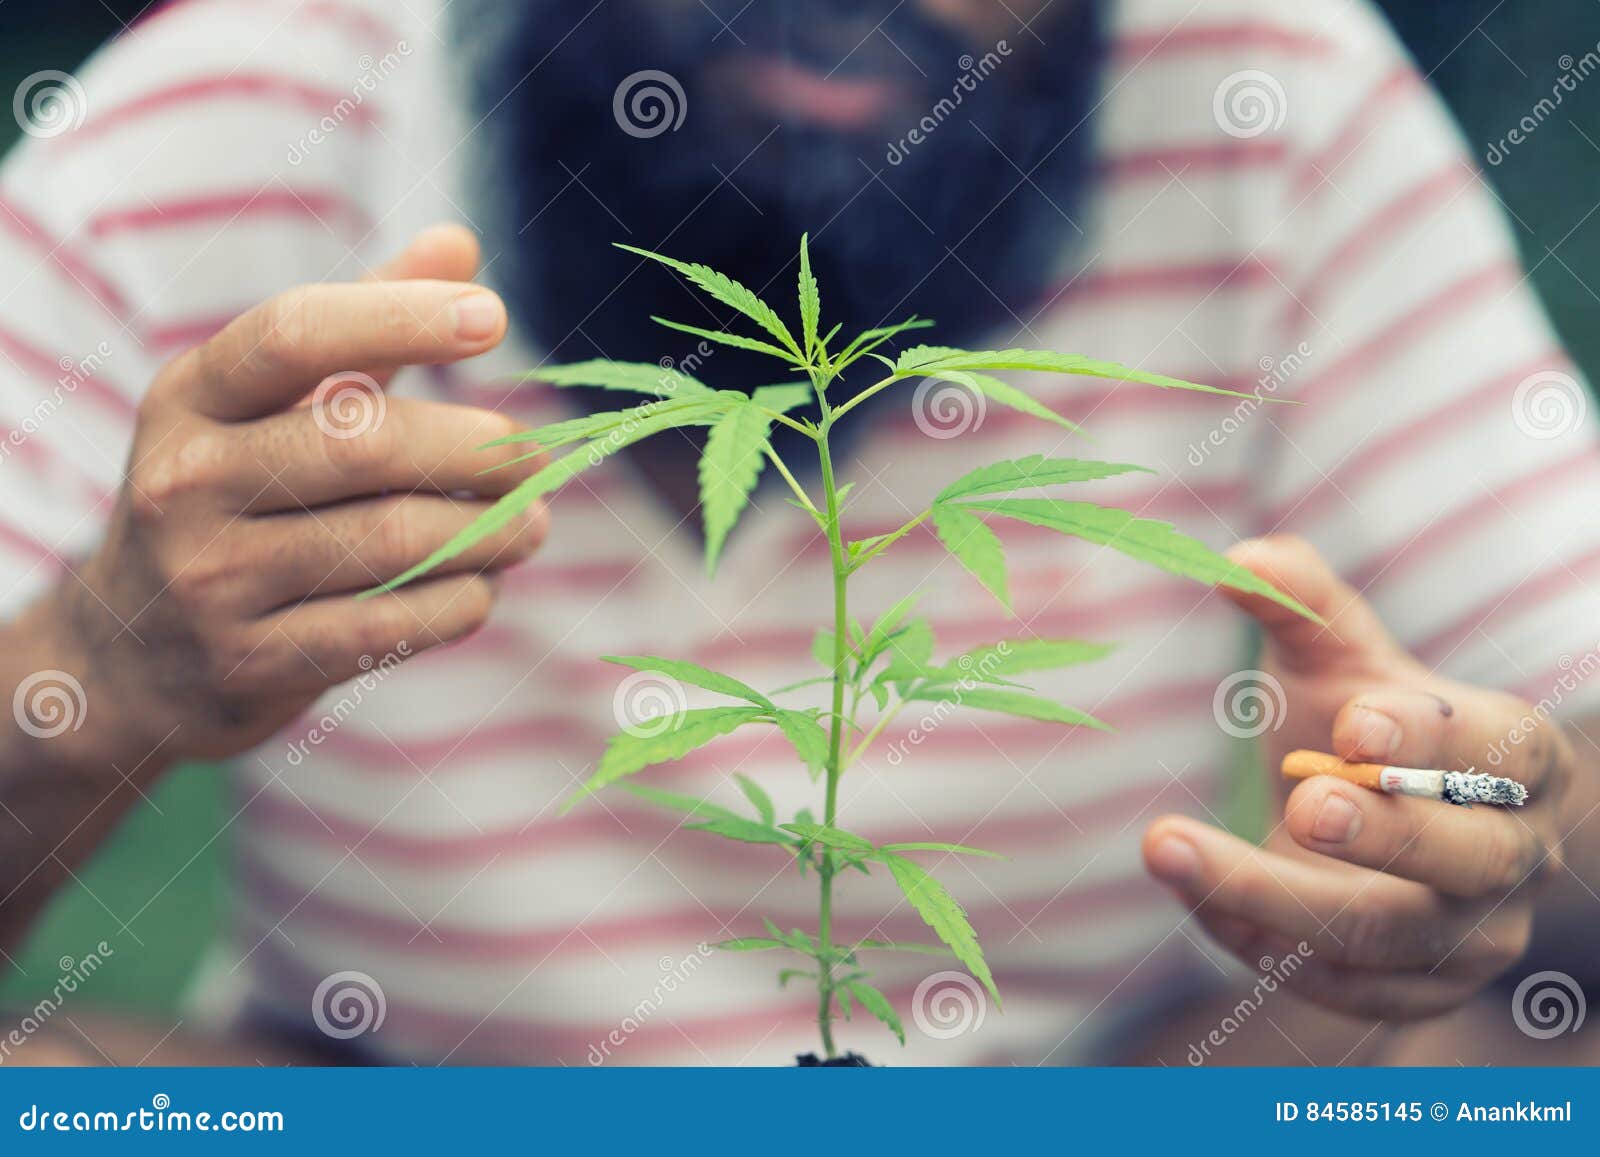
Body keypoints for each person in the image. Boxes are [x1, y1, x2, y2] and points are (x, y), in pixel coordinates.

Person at [1, 0, 1597, 1066]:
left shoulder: (1269, 87)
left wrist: (1460, 804)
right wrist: (90, 669)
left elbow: (1562, 735)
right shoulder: (223, 120)